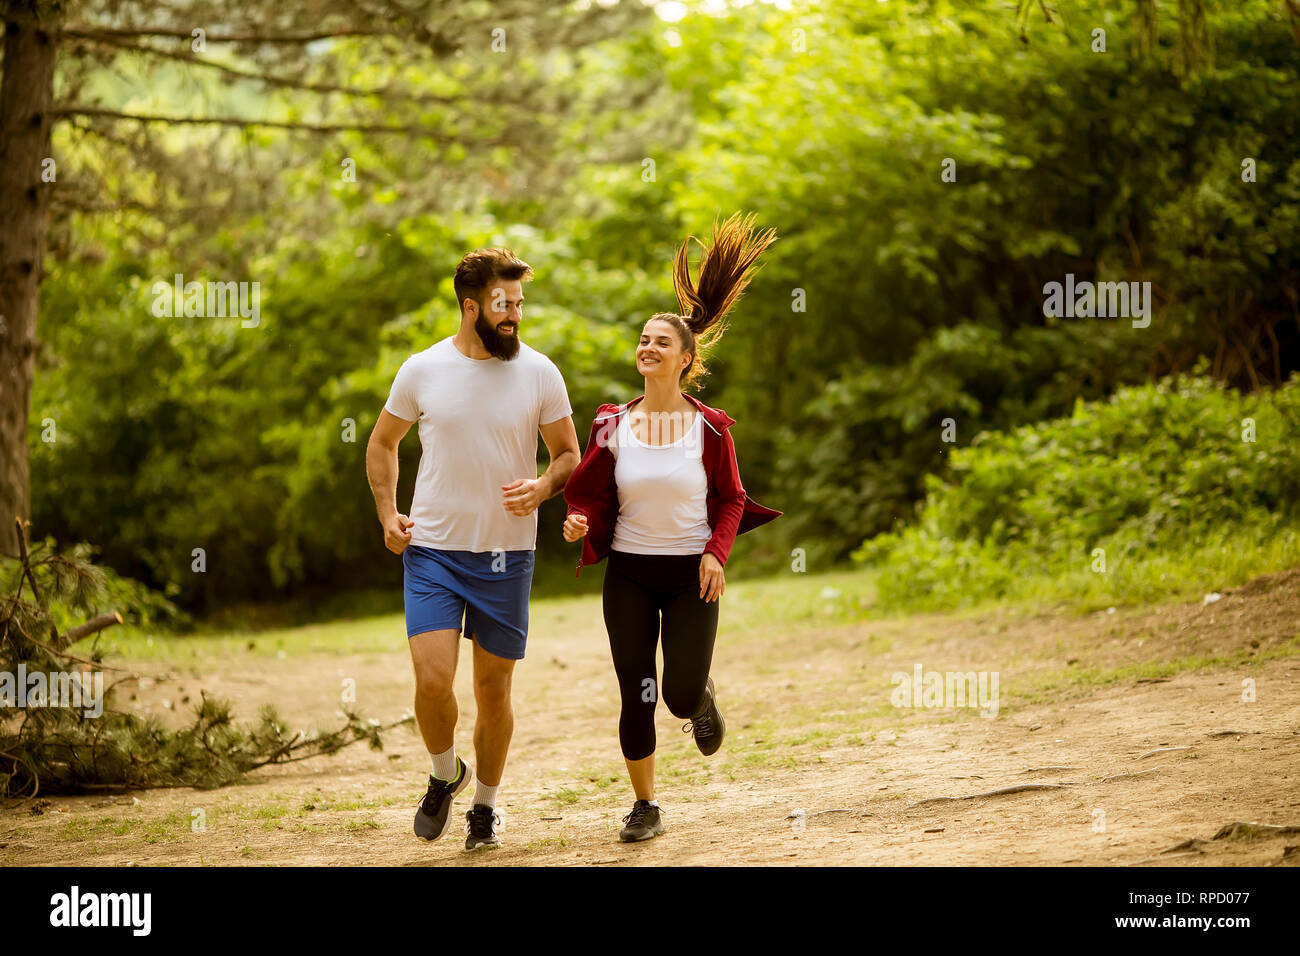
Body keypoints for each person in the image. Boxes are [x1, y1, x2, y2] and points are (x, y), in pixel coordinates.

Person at [562, 212, 781, 843]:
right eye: (643, 339)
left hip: (691, 575)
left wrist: (716, 553)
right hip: (629, 573)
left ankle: (701, 696)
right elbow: (596, 495)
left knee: (679, 696)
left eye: (662, 342)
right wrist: (582, 521)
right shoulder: (611, 421)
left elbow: (734, 499)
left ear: (686, 359)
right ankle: (645, 805)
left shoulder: (709, 427)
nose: (648, 347)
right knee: (637, 695)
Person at [366, 248, 580, 850]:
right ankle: (444, 773)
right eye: (502, 304)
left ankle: (485, 805)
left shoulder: (540, 372)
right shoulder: (422, 370)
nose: (513, 314)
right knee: (433, 681)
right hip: (432, 549)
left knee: (493, 692)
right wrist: (388, 515)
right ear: (470, 306)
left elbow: (569, 453)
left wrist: (542, 487)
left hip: (507, 556)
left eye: (518, 304)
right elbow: (382, 444)